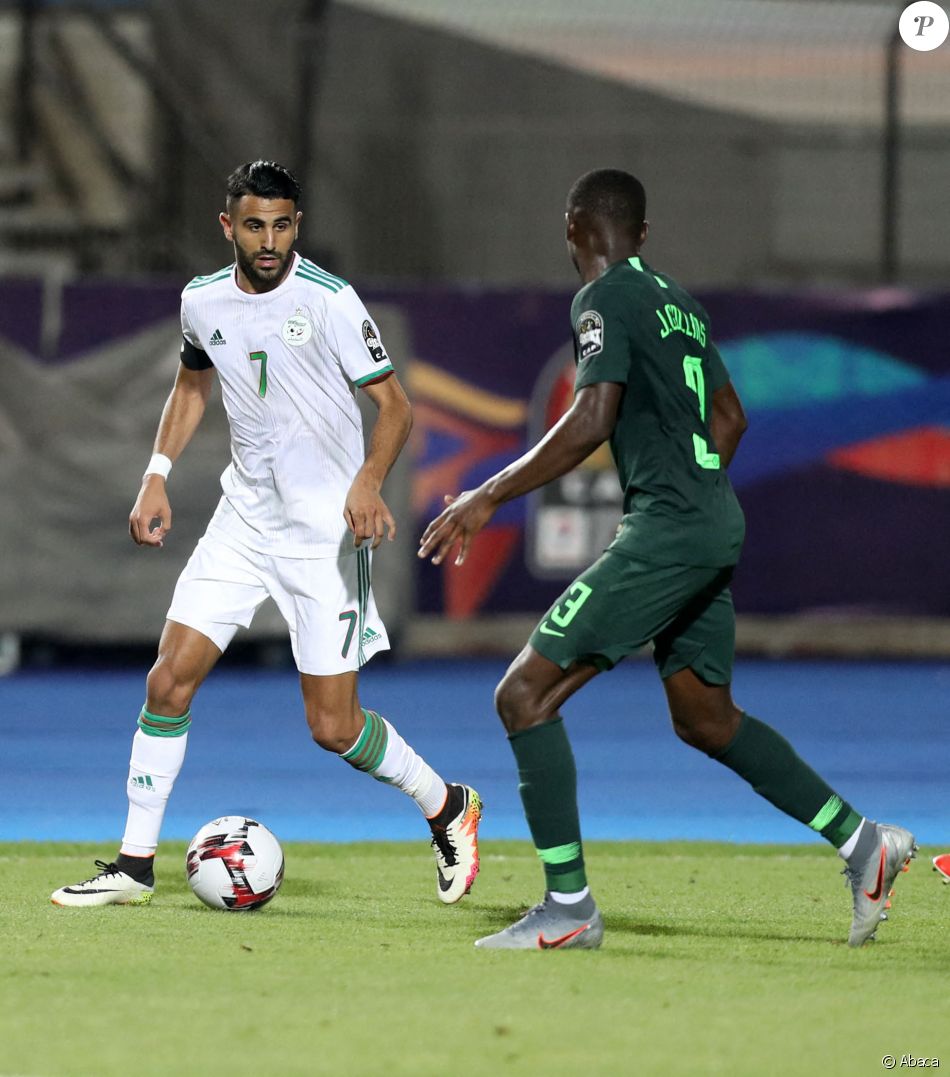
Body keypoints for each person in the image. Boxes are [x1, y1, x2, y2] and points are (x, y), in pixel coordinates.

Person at [418, 167, 915, 950]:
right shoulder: (679, 303)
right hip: (712, 520)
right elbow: (731, 415)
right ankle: (865, 844)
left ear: (573, 228)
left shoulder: (602, 296)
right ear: (641, 233)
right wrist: (696, 491)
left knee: (523, 695)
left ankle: (569, 908)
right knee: (706, 718)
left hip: (672, 528)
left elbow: (589, 418)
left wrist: (487, 494)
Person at [52, 160, 481, 909]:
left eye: (283, 224)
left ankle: (447, 805)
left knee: (333, 725)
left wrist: (368, 480)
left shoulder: (330, 301)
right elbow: (193, 382)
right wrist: (156, 472)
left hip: (325, 535)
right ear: (229, 227)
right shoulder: (202, 301)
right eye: (255, 225)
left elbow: (397, 408)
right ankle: (134, 863)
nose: (270, 240)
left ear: (297, 225)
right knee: (168, 678)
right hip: (244, 518)